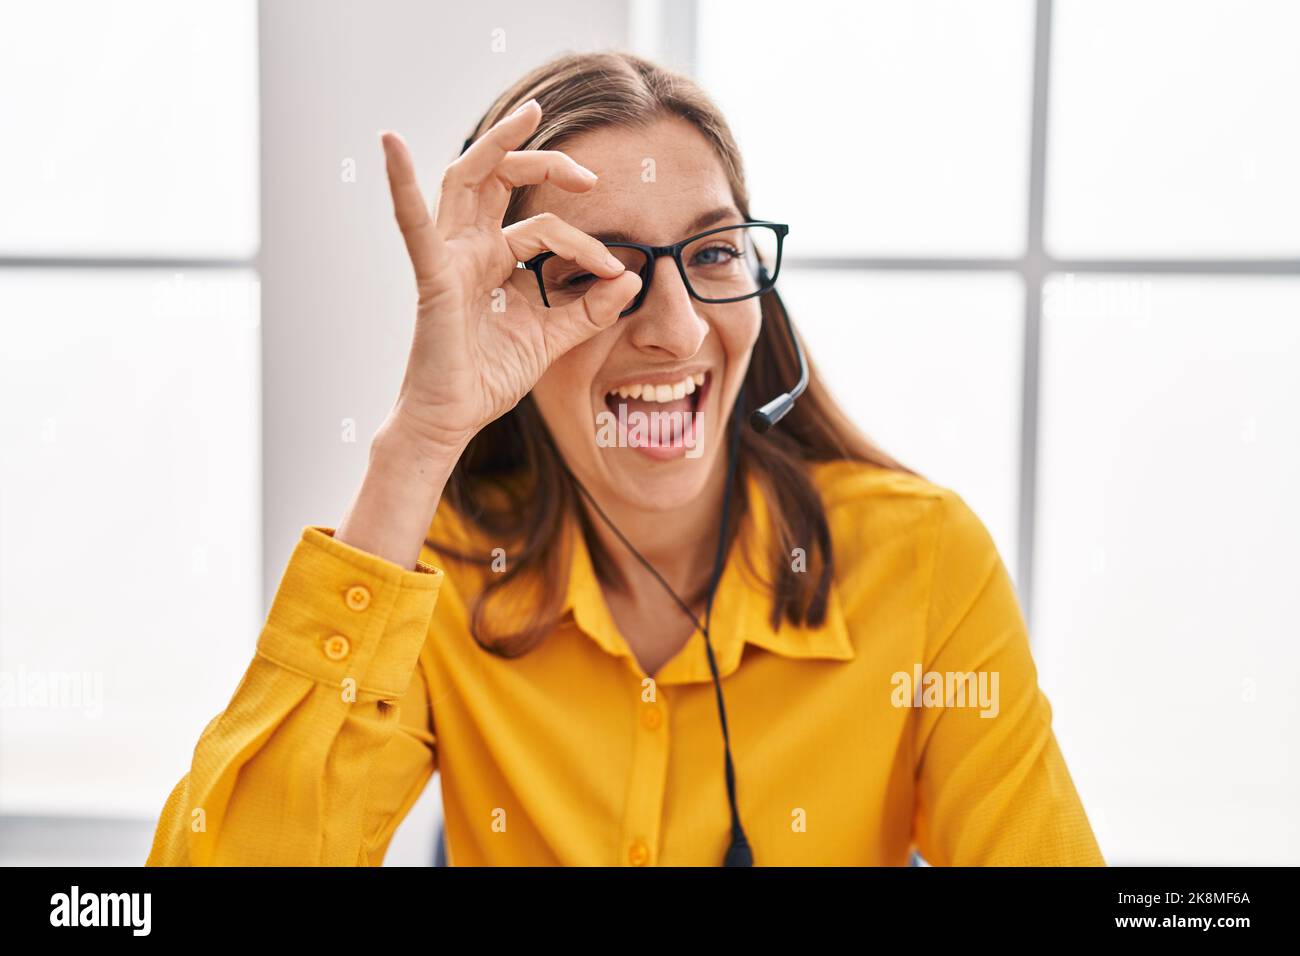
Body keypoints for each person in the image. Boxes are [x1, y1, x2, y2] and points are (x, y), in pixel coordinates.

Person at [146, 51, 1103, 867]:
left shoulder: (923, 561)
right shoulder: (441, 573)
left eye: (714, 254)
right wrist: (420, 441)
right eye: (593, 274)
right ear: (502, 319)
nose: (676, 330)